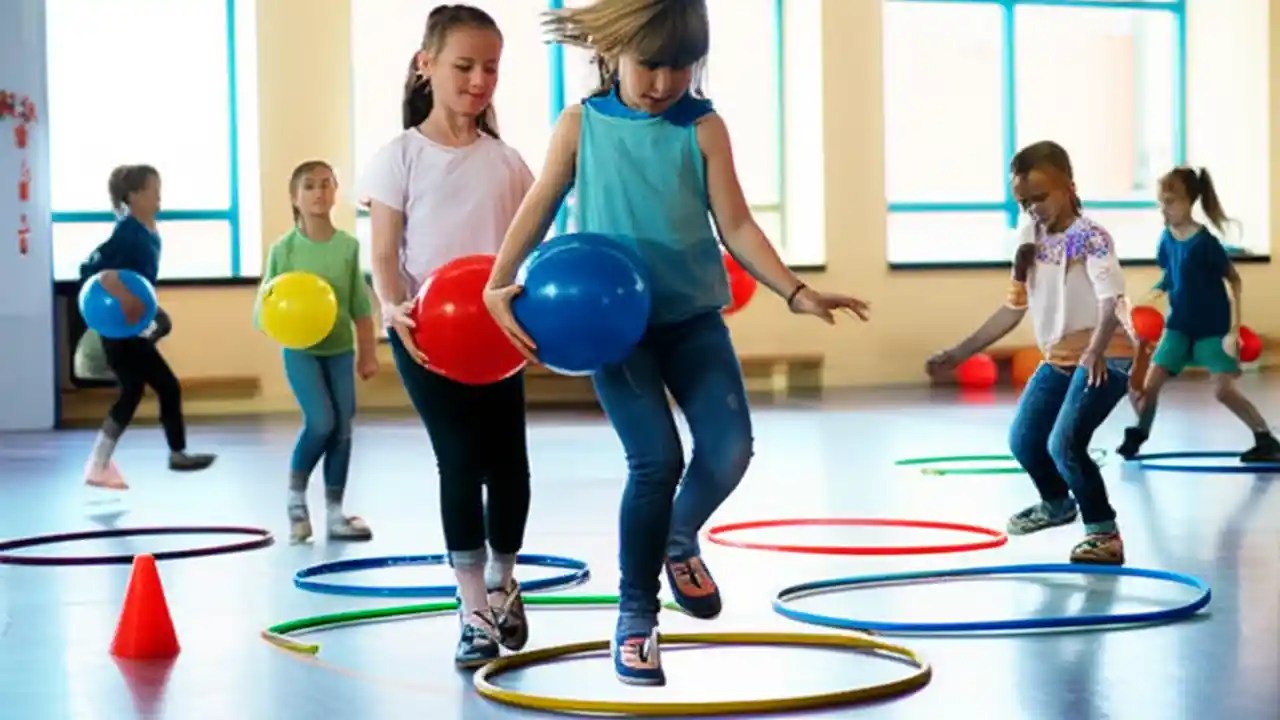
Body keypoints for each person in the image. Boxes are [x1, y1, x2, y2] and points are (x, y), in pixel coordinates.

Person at [482, 0, 869, 686]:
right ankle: (637, 616)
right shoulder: (582, 124)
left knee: (729, 450)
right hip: (613, 329)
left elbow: (738, 225)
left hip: (693, 320)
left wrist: (795, 291)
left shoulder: (705, 127)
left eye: (680, 66)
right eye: (649, 64)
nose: (663, 81)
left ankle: (678, 538)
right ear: (614, 56)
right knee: (656, 461)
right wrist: (497, 282)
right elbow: (539, 201)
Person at [360, 4, 535, 668]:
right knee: (460, 459)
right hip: (425, 333)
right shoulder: (398, 157)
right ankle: (472, 609)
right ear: (425, 64)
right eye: (464, 66)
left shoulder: (509, 161)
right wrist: (390, 305)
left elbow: (526, 246)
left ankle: (503, 579)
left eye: (490, 67)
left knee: (510, 464)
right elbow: (382, 252)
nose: (478, 80)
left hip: (498, 335)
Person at [926, 141, 1134, 567]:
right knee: (1023, 440)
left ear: (1069, 187)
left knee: (1066, 443)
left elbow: (1110, 299)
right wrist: (960, 352)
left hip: (1106, 353)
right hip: (1058, 357)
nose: (1032, 209)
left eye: (1040, 197)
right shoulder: (1028, 241)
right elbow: (1012, 307)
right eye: (1023, 202)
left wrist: (1095, 350)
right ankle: (1057, 503)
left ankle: (1104, 535)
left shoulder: (1091, 238)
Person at [1116, 167, 1280, 461]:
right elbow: (1172, 275)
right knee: (1150, 386)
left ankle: (1265, 438)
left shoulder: (1206, 243)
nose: (1164, 209)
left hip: (1212, 328)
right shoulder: (1165, 239)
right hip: (1178, 325)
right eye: (1160, 202)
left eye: (1171, 201)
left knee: (1222, 391)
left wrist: (1234, 330)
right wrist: (1155, 290)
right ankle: (1138, 433)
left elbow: (1234, 280)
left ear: (1189, 201)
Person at [259, 160, 379, 543]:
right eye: (309, 186)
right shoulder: (284, 250)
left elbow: (360, 307)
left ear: (335, 192)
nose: (319, 192)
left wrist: (367, 353)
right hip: (301, 351)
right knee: (322, 422)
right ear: (295, 198)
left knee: (342, 429)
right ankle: (295, 499)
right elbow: (265, 305)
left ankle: (334, 513)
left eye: (326, 185)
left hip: (340, 350)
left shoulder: (347, 247)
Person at [79, 164, 216, 490]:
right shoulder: (127, 232)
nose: (159, 194)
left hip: (132, 326)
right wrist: (123, 296)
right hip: (118, 327)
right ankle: (101, 464)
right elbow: (95, 270)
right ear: (134, 195)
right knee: (148, 387)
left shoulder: (147, 230)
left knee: (155, 381)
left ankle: (169, 453)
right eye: (153, 189)